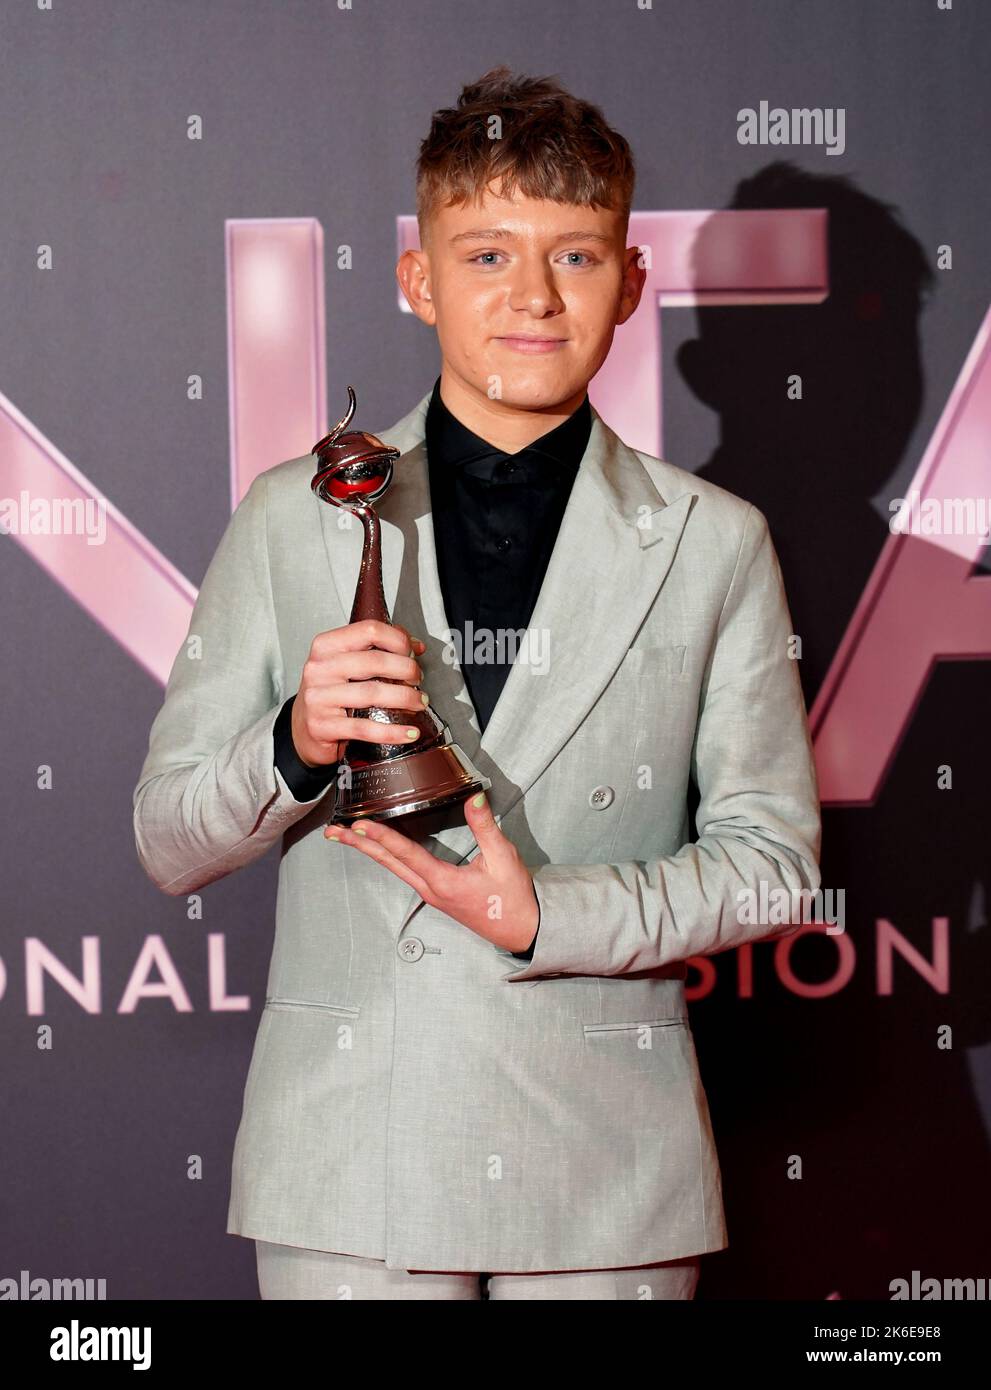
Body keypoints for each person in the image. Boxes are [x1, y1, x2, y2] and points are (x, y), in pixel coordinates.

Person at [133, 65, 821, 1301]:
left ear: (631, 285)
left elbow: (772, 864)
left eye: (576, 257)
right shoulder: (295, 518)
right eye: (488, 254)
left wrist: (548, 916)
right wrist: (292, 744)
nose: (535, 298)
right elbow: (167, 840)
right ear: (418, 280)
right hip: (350, 1155)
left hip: (607, 1171)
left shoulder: (716, 541)